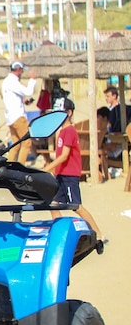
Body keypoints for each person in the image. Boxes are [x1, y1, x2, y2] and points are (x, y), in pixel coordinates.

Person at [41, 98, 105, 243]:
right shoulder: (62, 131)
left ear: (68, 113)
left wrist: (47, 168)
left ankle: (99, 234)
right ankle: (59, 235)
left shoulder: (69, 131)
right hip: (61, 175)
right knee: (53, 204)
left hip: (70, 175)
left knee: (76, 206)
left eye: (60, 112)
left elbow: (64, 156)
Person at [1, 61, 37, 166]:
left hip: (10, 118)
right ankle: (19, 167)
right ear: (18, 70)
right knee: (26, 143)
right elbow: (28, 92)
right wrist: (32, 80)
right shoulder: (12, 81)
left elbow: (12, 99)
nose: (21, 73)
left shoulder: (6, 81)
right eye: (21, 70)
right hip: (18, 117)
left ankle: (10, 166)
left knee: (16, 144)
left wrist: (23, 101)